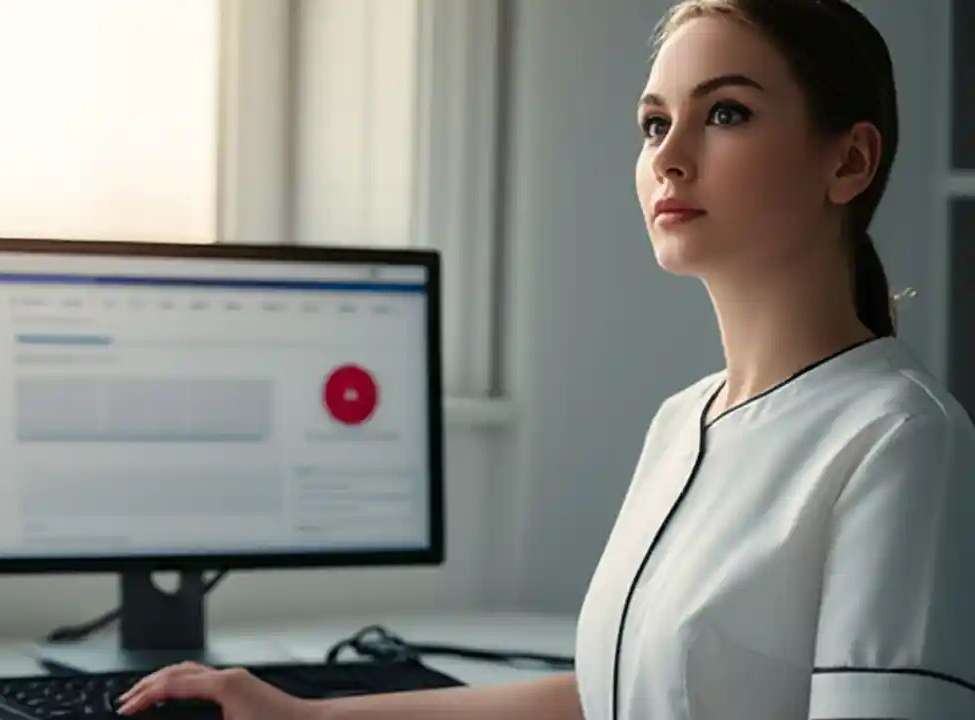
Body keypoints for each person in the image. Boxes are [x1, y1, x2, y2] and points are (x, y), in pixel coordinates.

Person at [115, 0, 975, 717]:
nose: (668, 157)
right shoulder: (685, 420)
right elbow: (611, 697)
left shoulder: (899, 438)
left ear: (849, 160)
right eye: (652, 123)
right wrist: (301, 713)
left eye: (725, 113)